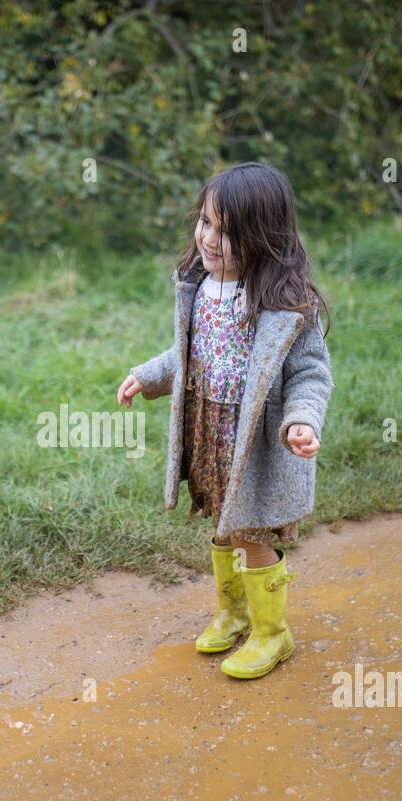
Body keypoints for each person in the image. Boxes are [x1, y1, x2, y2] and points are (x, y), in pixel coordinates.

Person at [117, 162, 334, 679]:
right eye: (206, 223)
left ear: (265, 237)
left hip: (255, 439)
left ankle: (272, 633)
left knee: (250, 532)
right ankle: (235, 613)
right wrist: (150, 376)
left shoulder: (283, 305)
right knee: (221, 525)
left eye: (229, 232)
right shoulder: (200, 287)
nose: (211, 239)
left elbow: (309, 373)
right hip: (207, 429)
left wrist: (301, 419)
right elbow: (188, 354)